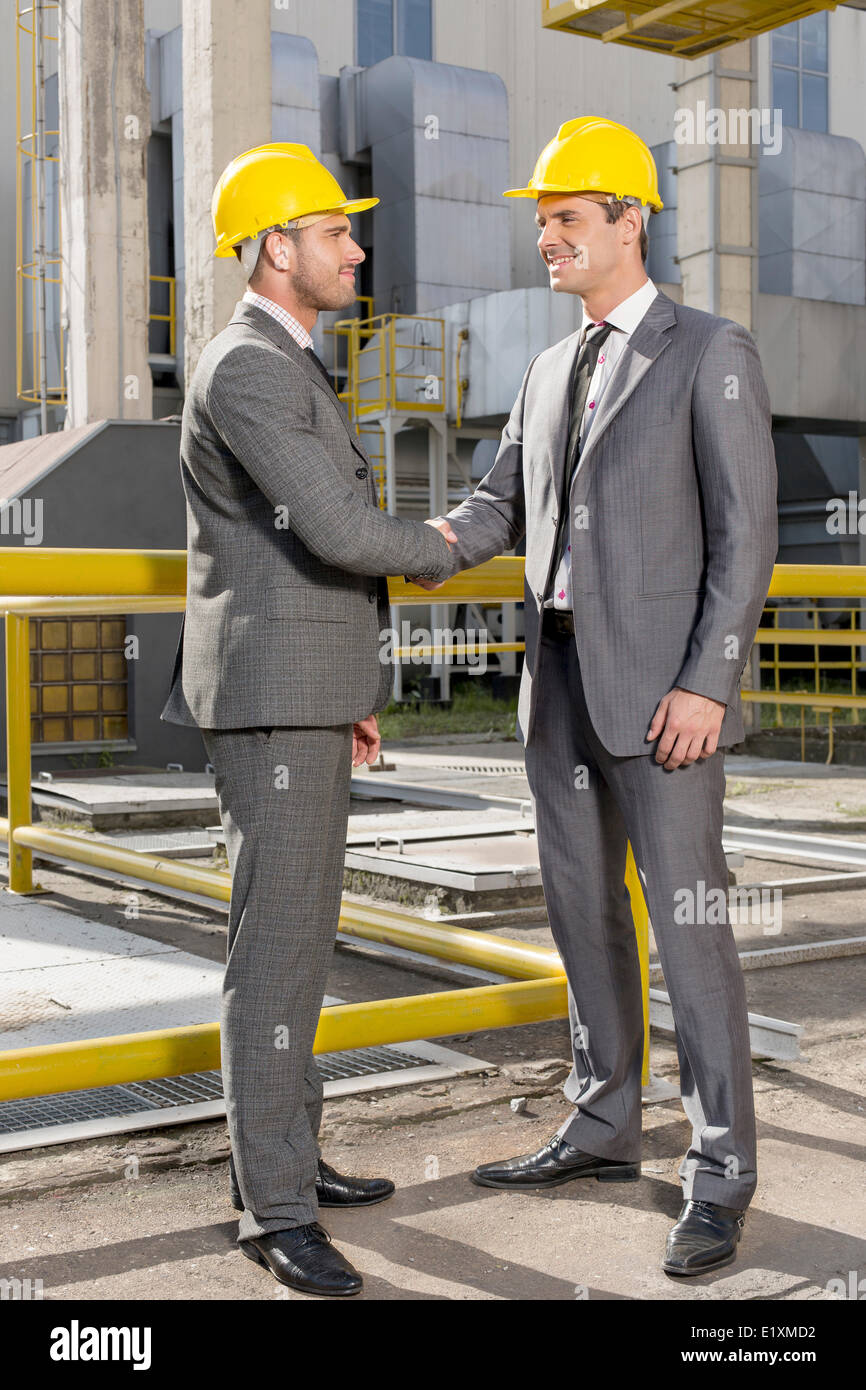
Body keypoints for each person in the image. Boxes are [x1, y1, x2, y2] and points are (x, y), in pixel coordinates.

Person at [423, 117, 778, 1277]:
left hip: (665, 696)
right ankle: (602, 1118)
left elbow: (744, 535)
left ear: (629, 221)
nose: (547, 237)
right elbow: (492, 512)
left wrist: (703, 685)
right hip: (560, 682)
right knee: (583, 914)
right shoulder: (543, 369)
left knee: (691, 932)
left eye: (567, 217)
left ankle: (719, 1168)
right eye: (540, 221)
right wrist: (389, 542)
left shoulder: (706, 348)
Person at [161, 142, 455, 1297]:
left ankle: (286, 1161)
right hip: (271, 707)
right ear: (277, 247)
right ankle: (272, 1211)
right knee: (275, 957)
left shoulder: (287, 362)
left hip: (304, 699)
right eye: (337, 232)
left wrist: (350, 695)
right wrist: (461, 540)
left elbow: (299, 561)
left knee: (296, 950)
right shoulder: (247, 368)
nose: (357, 248)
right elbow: (336, 533)